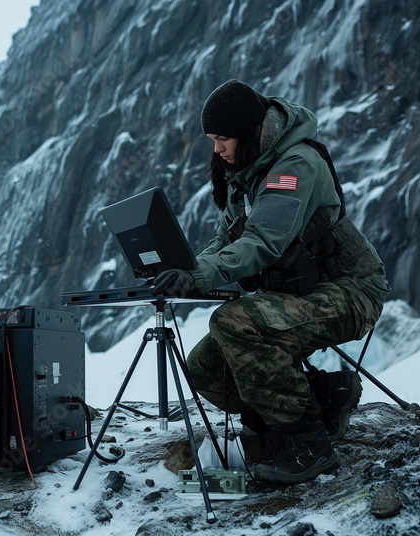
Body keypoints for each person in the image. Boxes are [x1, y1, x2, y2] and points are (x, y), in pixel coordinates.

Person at [151, 79, 391, 484]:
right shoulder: (243, 173)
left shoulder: (294, 166)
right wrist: (189, 274)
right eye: (212, 139)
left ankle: (307, 444)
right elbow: (224, 240)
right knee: (205, 369)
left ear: (250, 131)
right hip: (301, 293)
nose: (217, 149)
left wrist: (202, 274)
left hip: (350, 291)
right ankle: (322, 396)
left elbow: (263, 240)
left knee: (233, 322)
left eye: (222, 138)